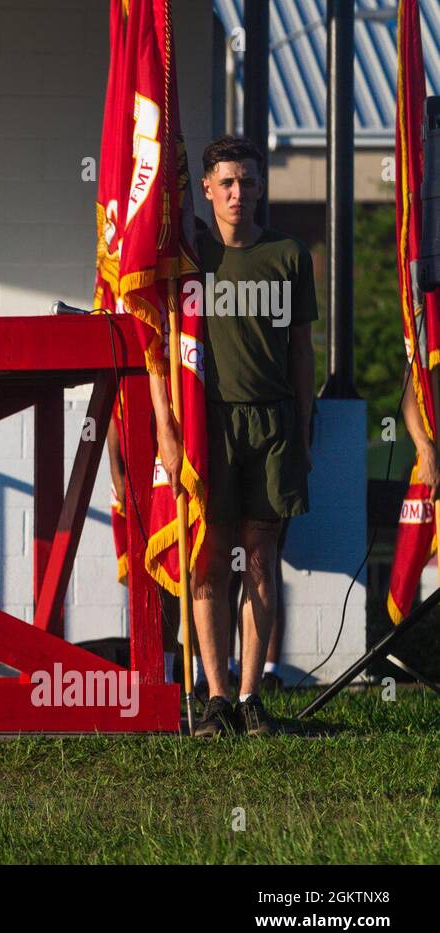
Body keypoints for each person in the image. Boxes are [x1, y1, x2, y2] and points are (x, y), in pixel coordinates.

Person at [152, 136, 316, 737]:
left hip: (272, 422)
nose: (237, 193)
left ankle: (251, 697)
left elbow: (302, 348)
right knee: (210, 559)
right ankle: (216, 697)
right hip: (207, 424)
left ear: (261, 186)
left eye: (247, 182)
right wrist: (167, 426)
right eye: (225, 183)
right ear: (208, 186)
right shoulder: (190, 255)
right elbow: (155, 337)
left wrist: (303, 422)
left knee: (264, 559)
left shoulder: (288, 254)